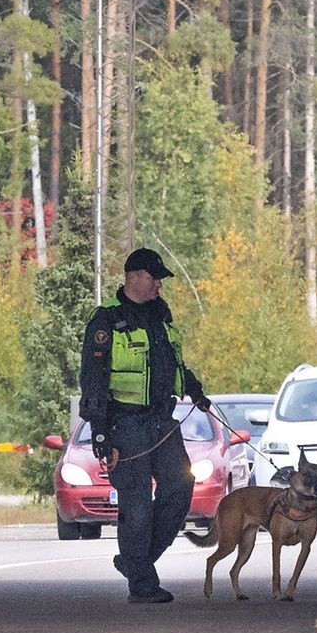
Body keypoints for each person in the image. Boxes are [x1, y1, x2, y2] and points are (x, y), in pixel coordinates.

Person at [79, 248, 212, 604]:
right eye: (154, 278)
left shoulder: (160, 315)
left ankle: (136, 561)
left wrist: (194, 389)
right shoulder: (107, 320)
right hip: (125, 424)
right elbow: (92, 380)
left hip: (162, 422)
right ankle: (142, 584)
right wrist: (101, 432)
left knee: (181, 487)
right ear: (134, 277)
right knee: (136, 505)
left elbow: (172, 364)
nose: (159, 285)